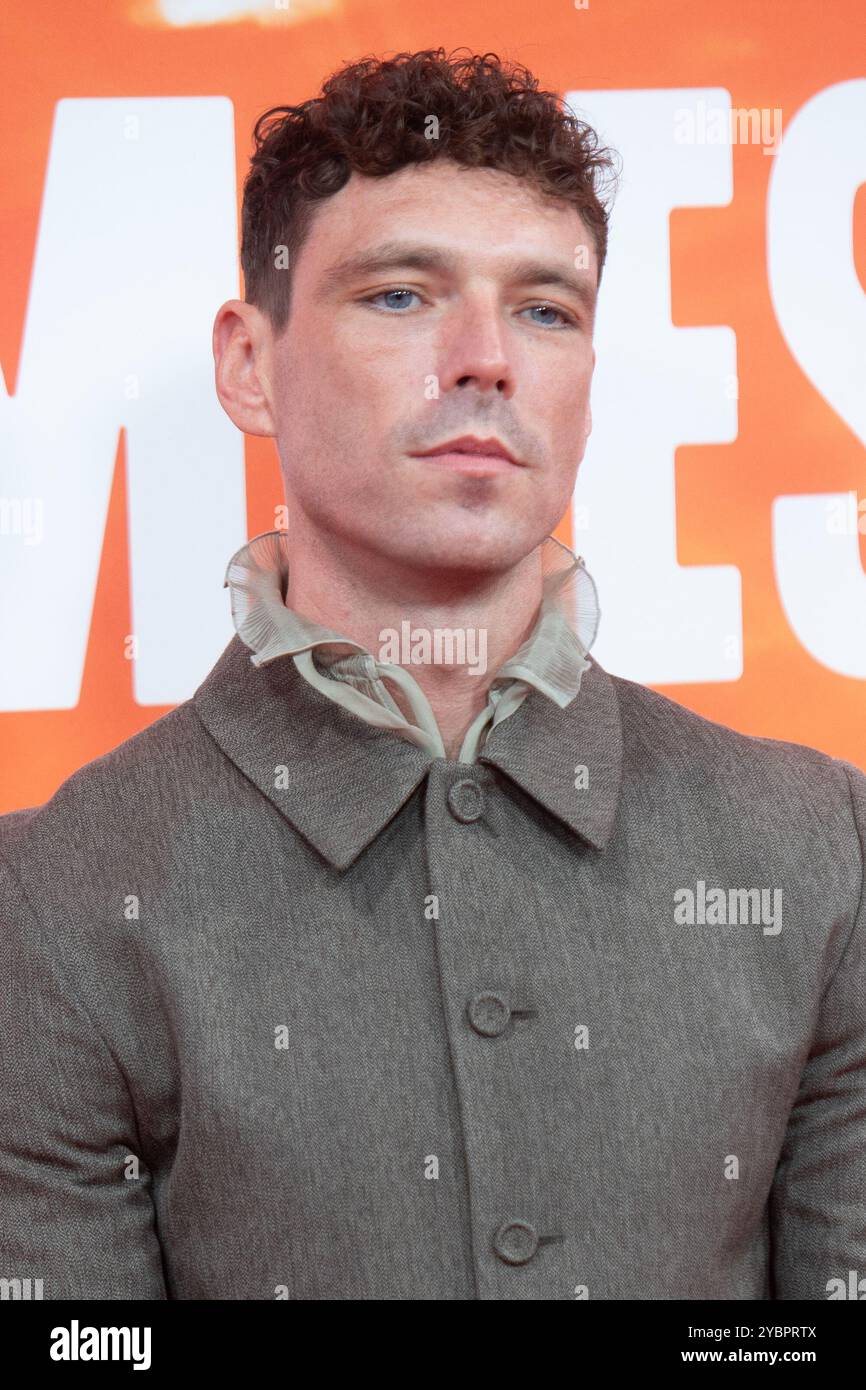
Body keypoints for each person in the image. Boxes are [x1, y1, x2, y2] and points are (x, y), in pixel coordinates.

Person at [0, 47, 863, 1302]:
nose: (484, 358)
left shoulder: (816, 844)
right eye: (401, 296)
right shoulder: (53, 899)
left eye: (544, 309)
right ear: (249, 363)